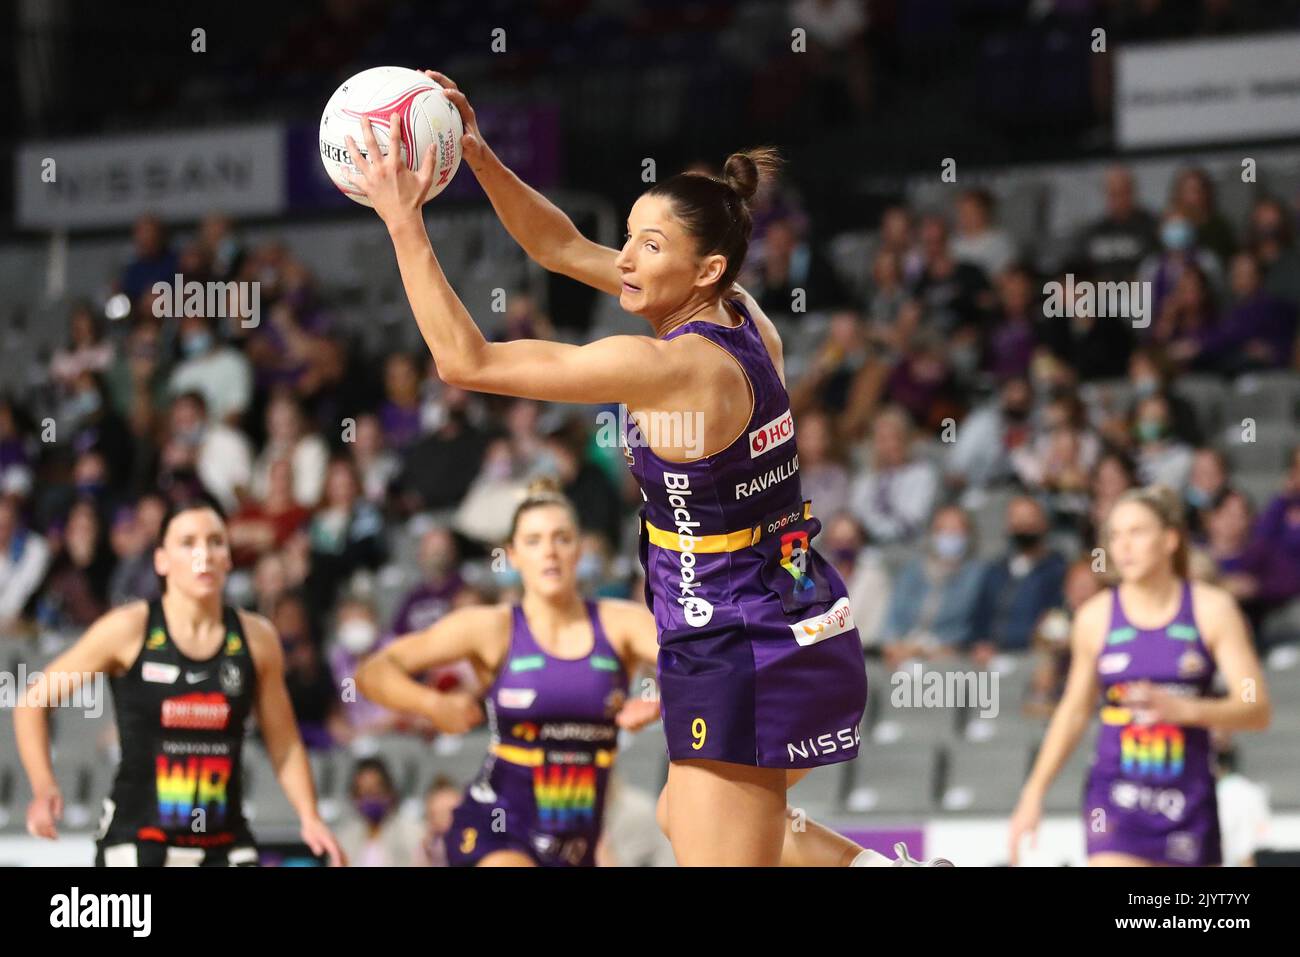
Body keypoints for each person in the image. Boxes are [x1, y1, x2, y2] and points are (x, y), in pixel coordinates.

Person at [347, 73, 945, 867]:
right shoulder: (741, 314)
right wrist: (478, 154)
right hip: (791, 620)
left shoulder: (670, 367)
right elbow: (556, 247)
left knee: (714, 837)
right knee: (689, 812)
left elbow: (467, 361)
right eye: (628, 236)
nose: (624, 258)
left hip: (740, 644)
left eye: (648, 247)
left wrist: (402, 221)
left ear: (705, 270)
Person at [15, 495, 343, 866]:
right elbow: (33, 701)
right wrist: (43, 787)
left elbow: (284, 742)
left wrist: (310, 816)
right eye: (188, 543)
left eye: (215, 541)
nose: (203, 553)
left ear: (229, 558)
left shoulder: (256, 638)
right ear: (161, 560)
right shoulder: (128, 628)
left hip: (224, 843)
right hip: (139, 840)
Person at [357, 481, 662, 867]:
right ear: (514, 555)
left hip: (577, 833)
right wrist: (432, 704)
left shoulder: (619, 624)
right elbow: (373, 671)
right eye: (534, 541)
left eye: (561, 538)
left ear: (580, 549)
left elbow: (699, 664)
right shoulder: (492, 628)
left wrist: (662, 700)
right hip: (497, 823)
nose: (549, 551)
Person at [1009, 486, 1271, 866]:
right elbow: (1073, 713)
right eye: (1115, 535)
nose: (1123, 546)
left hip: (1189, 799)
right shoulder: (1096, 617)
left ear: (1169, 539)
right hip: (1115, 800)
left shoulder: (1212, 610)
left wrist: (1185, 709)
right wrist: (1032, 795)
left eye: (1137, 532)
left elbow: (1255, 706)